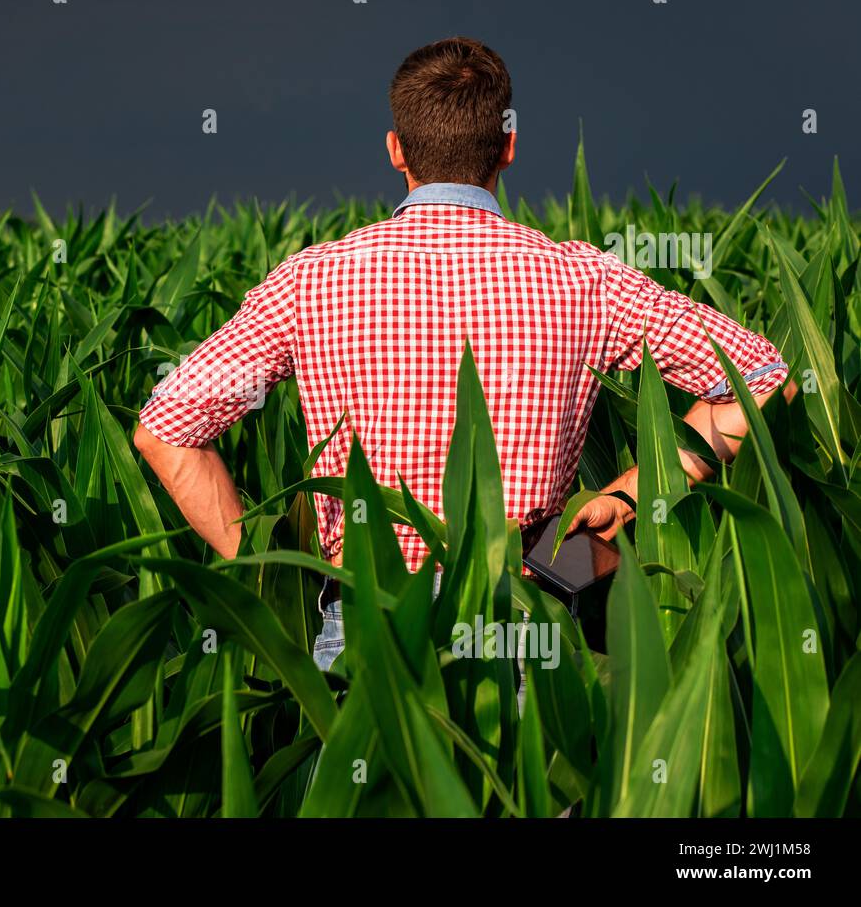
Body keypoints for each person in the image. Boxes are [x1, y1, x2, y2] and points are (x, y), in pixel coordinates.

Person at [132, 36, 792, 672]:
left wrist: (275, 578)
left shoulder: (311, 281)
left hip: (369, 631)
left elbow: (166, 431)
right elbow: (765, 382)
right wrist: (628, 495)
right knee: (533, 787)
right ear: (508, 146)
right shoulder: (584, 280)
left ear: (397, 149)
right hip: (530, 625)